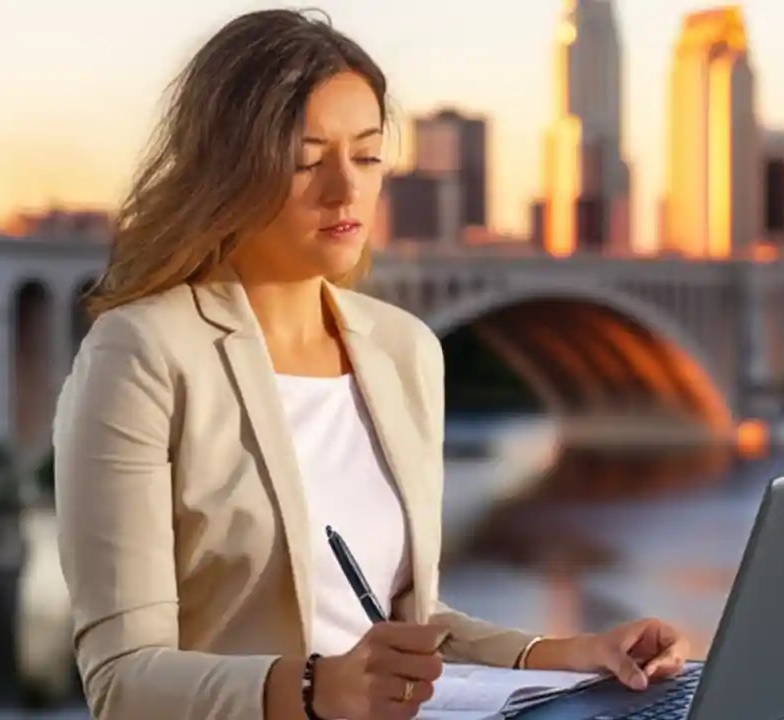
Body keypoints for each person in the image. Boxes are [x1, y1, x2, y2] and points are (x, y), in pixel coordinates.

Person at [54, 9, 688, 720]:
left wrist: (561, 655)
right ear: (226, 169)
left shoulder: (404, 350)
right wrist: (313, 690)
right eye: (305, 159)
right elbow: (122, 682)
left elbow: (404, 624)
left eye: (366, 154)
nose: (343, 189)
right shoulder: (142, 354)